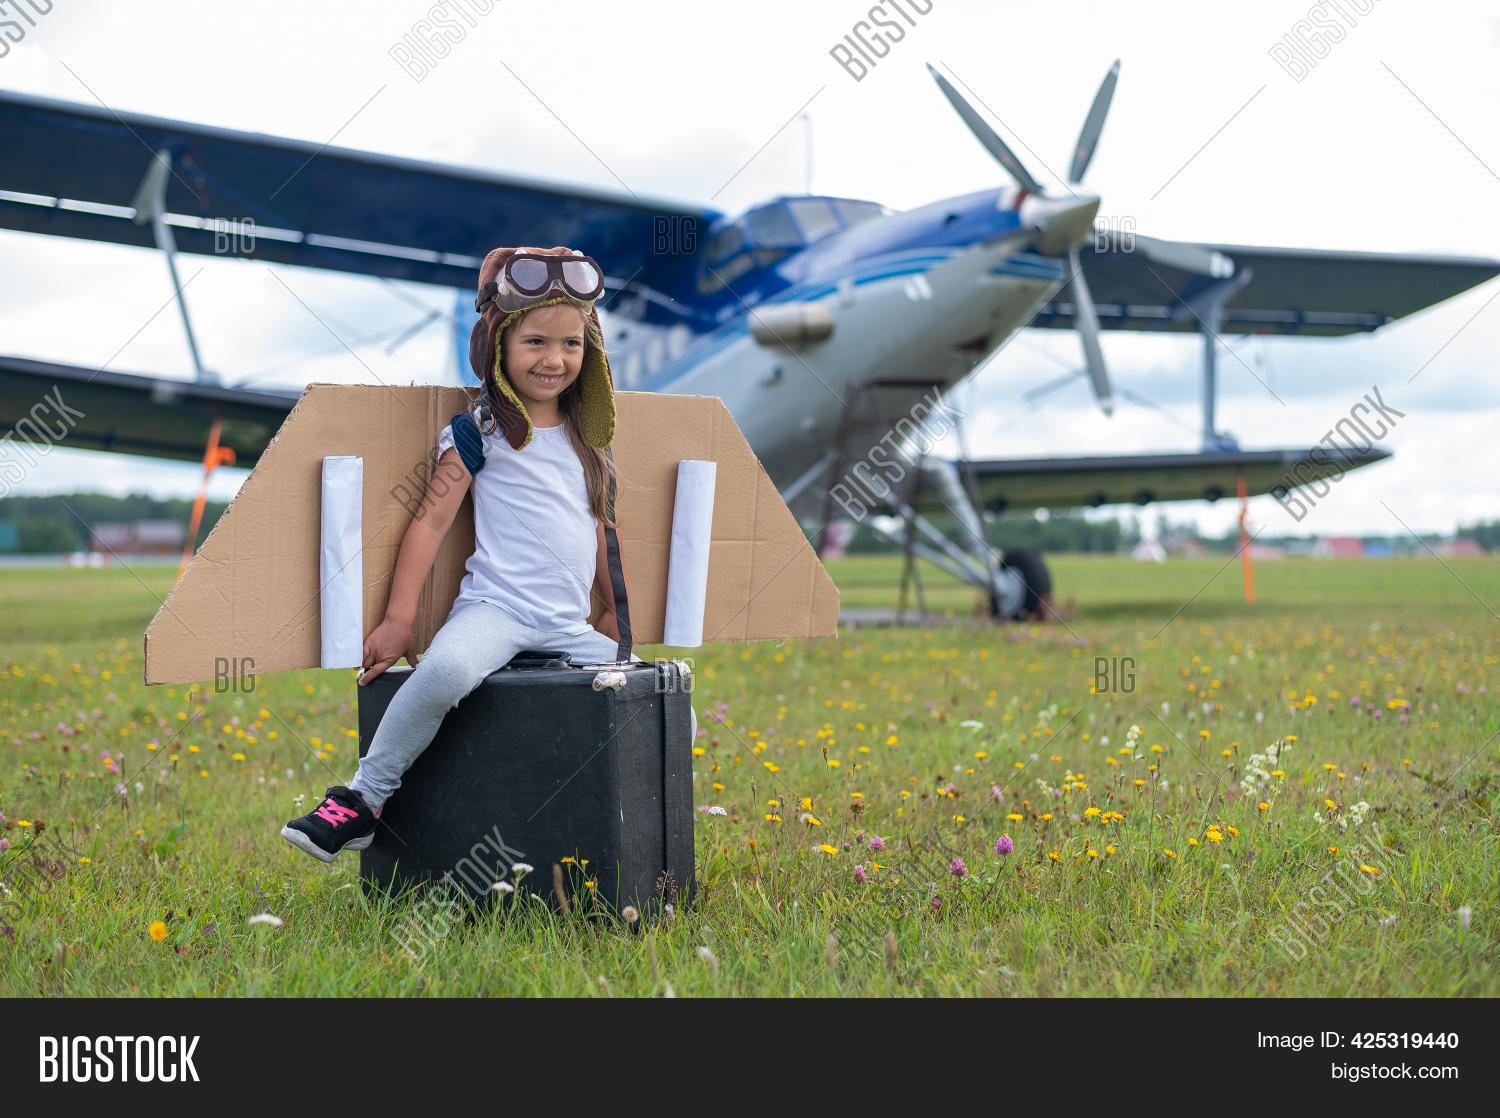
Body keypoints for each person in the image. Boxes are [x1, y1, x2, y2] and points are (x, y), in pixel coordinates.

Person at [281, 245, 696, 862]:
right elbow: (431, 522)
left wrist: (614, 611)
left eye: (572, 344)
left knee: (671, 706)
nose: (555, 359)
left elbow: (602, 528)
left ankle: (646, 812)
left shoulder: (591, 440)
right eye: (536, 342)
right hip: (496, 610)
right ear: (499, 344)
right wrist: (398, 620)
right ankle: (365, 799)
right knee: (444, 674)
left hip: (567, 624)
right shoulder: (480, 431)